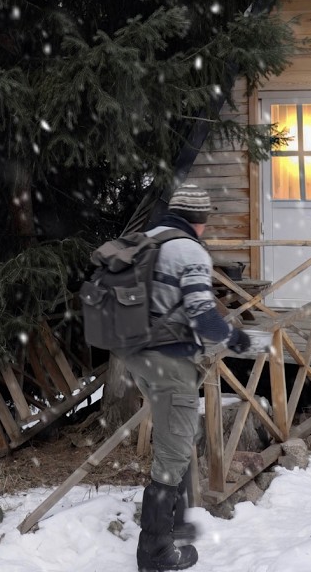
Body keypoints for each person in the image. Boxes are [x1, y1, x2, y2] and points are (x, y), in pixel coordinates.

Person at [122, 184, 252, 572]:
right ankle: (156, 553)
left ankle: (176, 530)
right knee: (174, 451)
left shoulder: (147, 240)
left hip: (138, 355)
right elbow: (202, 314)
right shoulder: (189, 249)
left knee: (174, 438)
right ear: (201, 221)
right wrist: (235, 337)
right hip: (170, 360)